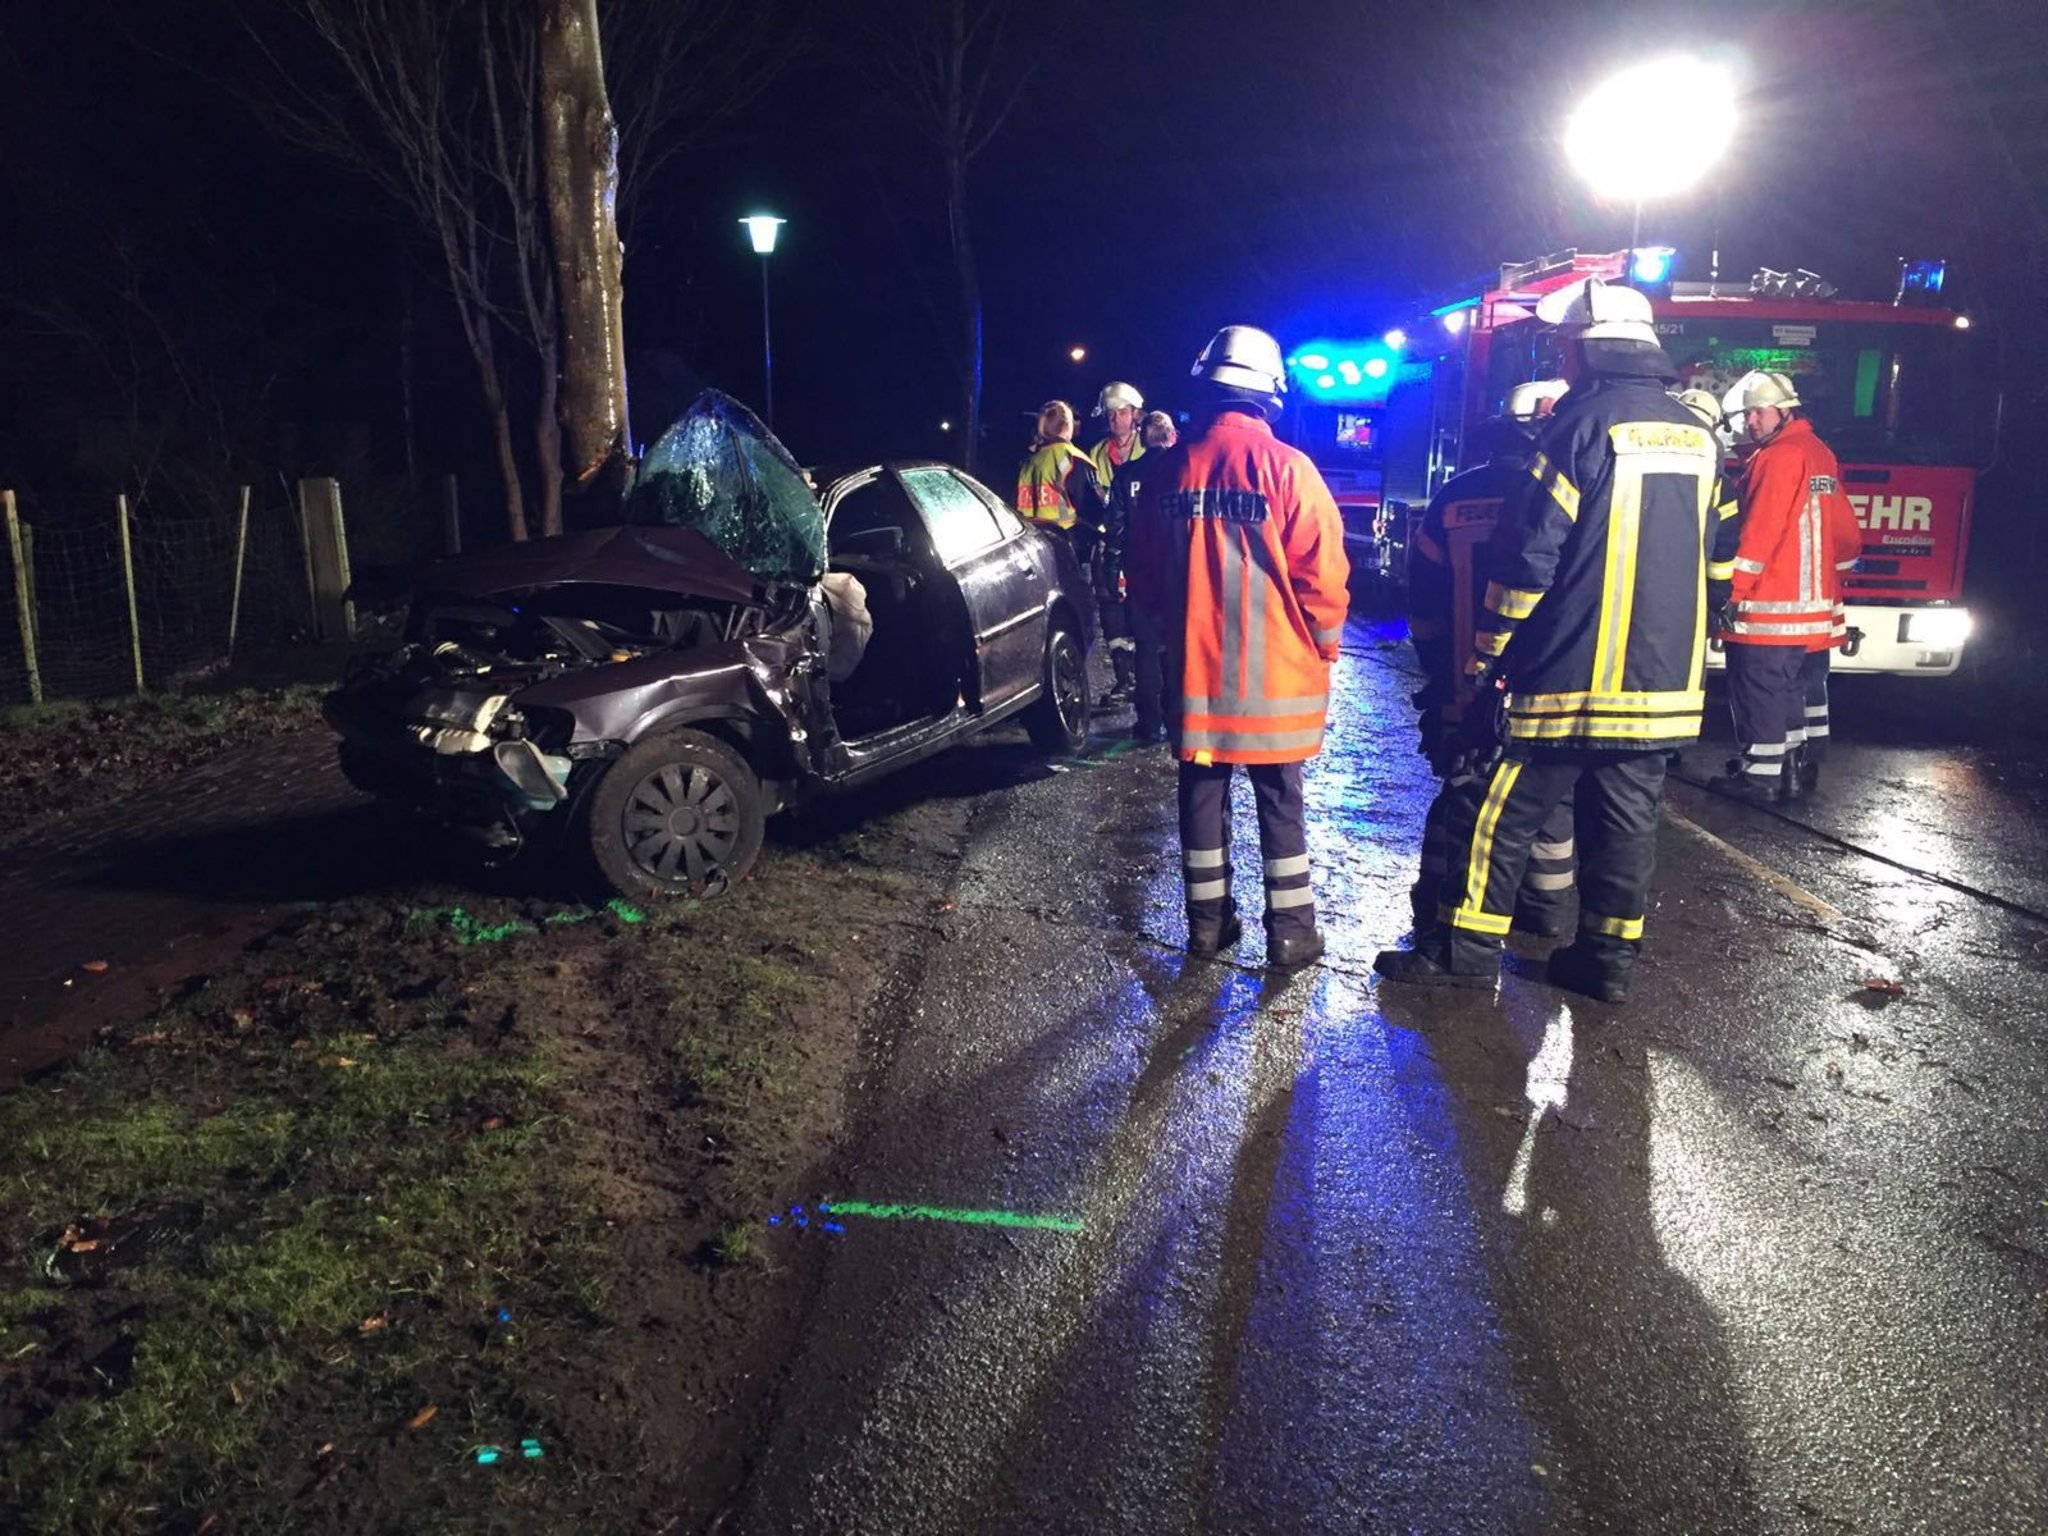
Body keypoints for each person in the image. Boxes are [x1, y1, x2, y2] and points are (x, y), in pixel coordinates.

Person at [1373, 277, 1736, 1003]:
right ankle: (1606, 963)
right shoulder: (1701, 438)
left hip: (1568, 680)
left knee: (1496, 813)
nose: (1563, 361)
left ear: (1591, 350)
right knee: (1627, 825)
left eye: (1567, 347)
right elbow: (1719, 563)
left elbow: (1530, 560)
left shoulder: (1579, 429)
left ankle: (1465, 953)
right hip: (1663, 685)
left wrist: (1488, 657)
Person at [1129, 326, 1350, 969]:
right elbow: (1323, 577)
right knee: (1282, 803)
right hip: (1277, 682)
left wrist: (1169, 632)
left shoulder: (1169, 470)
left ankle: (1206, 926)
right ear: (1268, 396)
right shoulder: (1291, 470)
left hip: (1196, 675)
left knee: (1200, 794)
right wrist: (1324, 649)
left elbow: (1141, 572)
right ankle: (1292, 933)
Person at [1404, 380, 1576, 937]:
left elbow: (1424, 597)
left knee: (1462, 788)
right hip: (1545, 679)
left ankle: (1438, 903)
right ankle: (1546, 909)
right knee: (1543, 796)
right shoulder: (1568, 494)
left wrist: (1438, 669)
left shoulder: (1453, 499)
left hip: (1464, 675)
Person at [1713, 370, 1862, 799]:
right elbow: (1844, 530)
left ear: (1783, 410)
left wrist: (1731, 592)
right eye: (1748, 415)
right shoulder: (1817, 451)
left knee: (1757, 686)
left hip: (1768, 601)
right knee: (1790, 687)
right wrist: (1837, 579)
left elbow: (1758, 533)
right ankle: (1789, 767)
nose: (1752, 423)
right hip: (1808, 604)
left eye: (1758, 413)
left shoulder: (1777, 458)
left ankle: (1759, 774)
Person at [1015, 399, 1106, 654]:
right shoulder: (1071, 459)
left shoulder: (1030, 462)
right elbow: (1093, 508)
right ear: (1066, 426)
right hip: (1069, 547)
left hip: (1034, 549)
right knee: (1077, 621)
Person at [1089, 383, 1148, 704]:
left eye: (1122, 413)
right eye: (1111, 414)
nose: (1116, 419)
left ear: (1135, 415)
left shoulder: (1151, 450)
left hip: (1145, 543)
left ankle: (1149, 678)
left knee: (1145, 610)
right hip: (1109, 541)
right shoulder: (1097, 454)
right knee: (1110, 606)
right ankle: (1123, 678)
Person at [1125, 410, 1178, 743]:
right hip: (1175, 569)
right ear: (1170, 436)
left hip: (1140, 569)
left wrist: (1112, 570)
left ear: (1144, 437)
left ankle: (1148, 723)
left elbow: (1115, 527)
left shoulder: (1127, 474)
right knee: (1174, 649)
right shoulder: (1180, 470)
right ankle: (1175, 720)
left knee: (1145, 649)